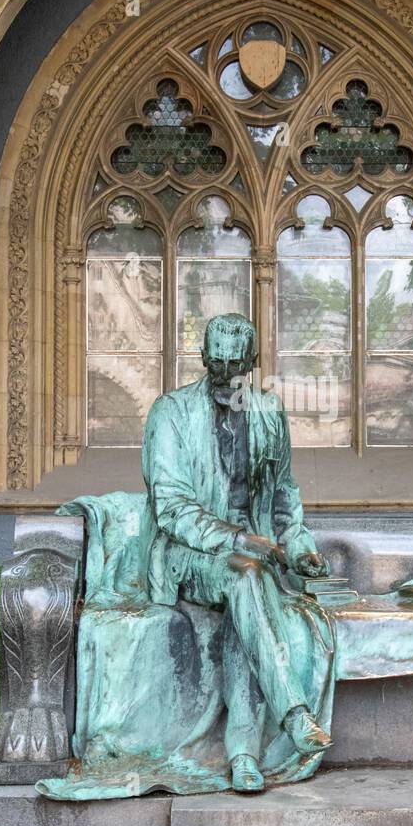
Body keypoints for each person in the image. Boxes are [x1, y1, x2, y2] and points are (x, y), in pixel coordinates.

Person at [141, 313, 332, 791]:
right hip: (190, 553)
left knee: (246, 588)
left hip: (256, 558)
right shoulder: (170, 413)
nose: (225, 376)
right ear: (204, 359)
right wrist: (238, 539)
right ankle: (293, 712)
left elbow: (284, 496)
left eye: (235, 367)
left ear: (252, 362)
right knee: (244, 575)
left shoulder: (269, 413)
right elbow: (172, 509)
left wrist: (299, 545)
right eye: (217, 366)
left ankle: (243, 756)